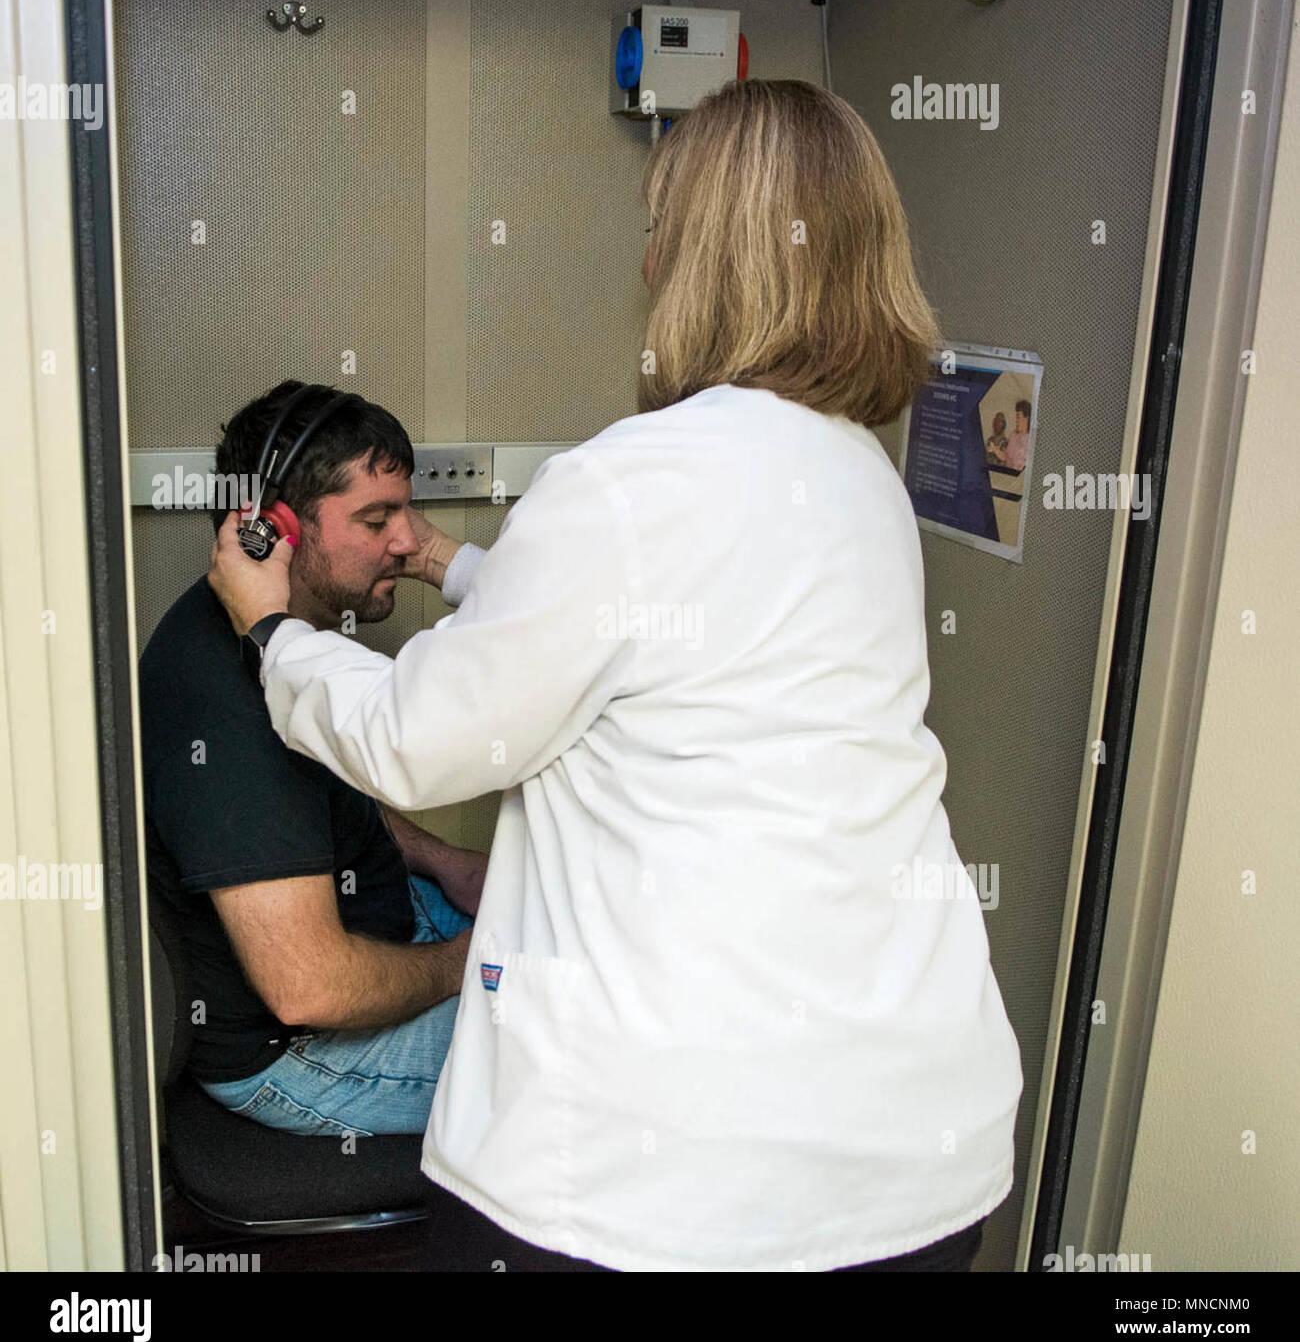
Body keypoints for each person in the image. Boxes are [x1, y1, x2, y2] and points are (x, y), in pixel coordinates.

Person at [208, 79, 1024, 1271]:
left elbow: (419, 736)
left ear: (697, 259)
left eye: (662, 227)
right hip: (917, 1144)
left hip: (667, 1181)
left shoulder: (627, 485)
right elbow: (667, 642)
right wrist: (449, 559)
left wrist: (274, 633)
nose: (647, 258)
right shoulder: (856, 479)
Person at [141, 382, 494, 1136]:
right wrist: (466, 962)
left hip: (383, 929)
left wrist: (440, 860)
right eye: (378, 518)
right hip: (303, 1050)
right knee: (590, 1046)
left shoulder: (283, 645)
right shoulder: (219, 701)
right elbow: (310, 987)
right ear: (278, 531)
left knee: (577, 947)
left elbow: (317, 802)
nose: (410, 539)